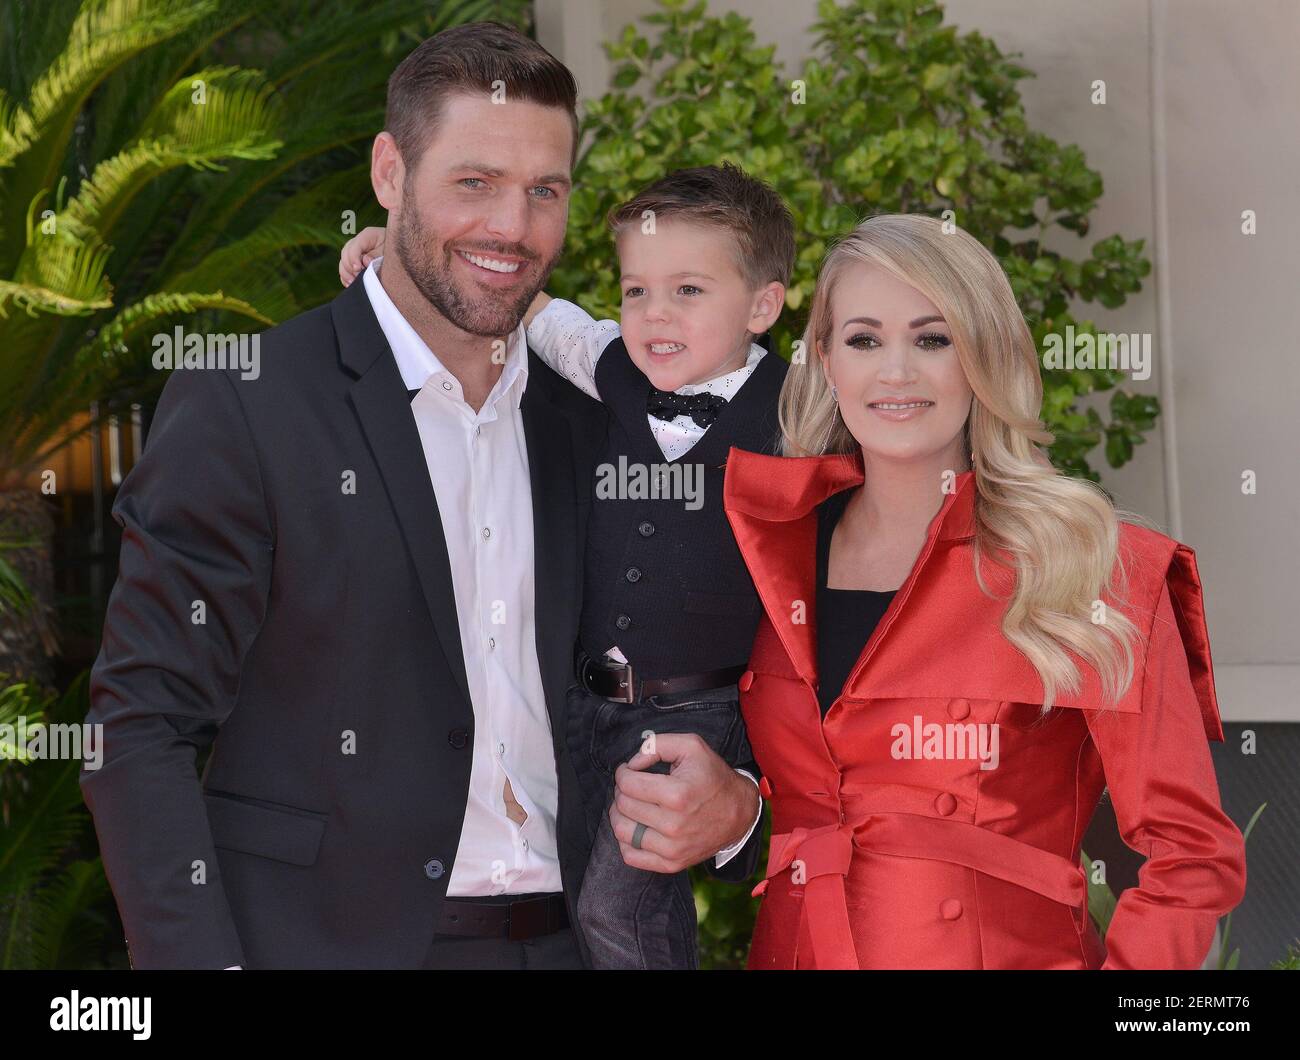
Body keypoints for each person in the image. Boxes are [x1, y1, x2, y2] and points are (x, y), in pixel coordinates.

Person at [80, 21, 750, 971]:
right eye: (474, 183)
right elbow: (140, 725)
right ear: (390, 173)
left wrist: (741, 806)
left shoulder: (600, 417)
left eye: (544, 192)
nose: (512, 230)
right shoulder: (250, 403)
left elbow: (720, 643)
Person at [720, 213, 1247, 969]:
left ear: (984, 357)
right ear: (826, 362)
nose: (895, 372)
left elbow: (1192, 855)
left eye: (933, 339)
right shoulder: (768, 546)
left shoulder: (1092, 565)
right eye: (864, 339)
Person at [340, 161, 792, 968]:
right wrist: (398, 259)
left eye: (688, 292)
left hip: (694, 716)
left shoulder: (797, 411)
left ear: (762, 304)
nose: (655, 316)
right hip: (582, 707)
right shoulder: (610, 363)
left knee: (623, 901)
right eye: (636, 292)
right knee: (575, 895)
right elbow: (536, 312)